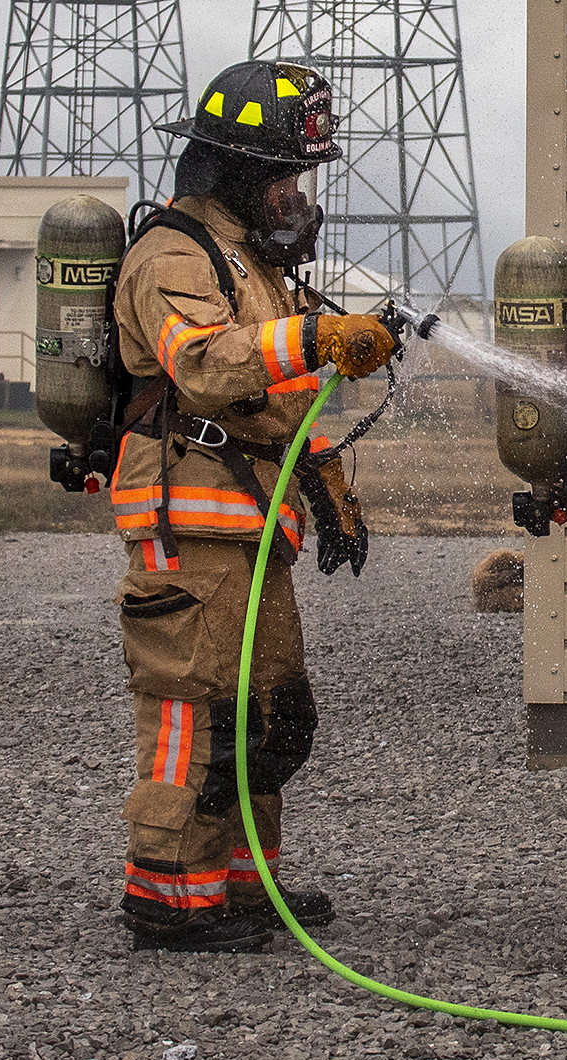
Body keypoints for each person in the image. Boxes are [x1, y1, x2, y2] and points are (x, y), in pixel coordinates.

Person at [107, 59, 400, 953]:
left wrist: (328, 481)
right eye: (283, 177)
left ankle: (240, 880)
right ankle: (168, 890)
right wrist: (316, 333)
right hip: (188, 514)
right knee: (195, 706)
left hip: (254, 519)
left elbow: (280, 402)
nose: (296, 196)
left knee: (267, 711)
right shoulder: (170, 257)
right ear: (233, 170)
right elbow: (204, 363)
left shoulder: (251, 261)